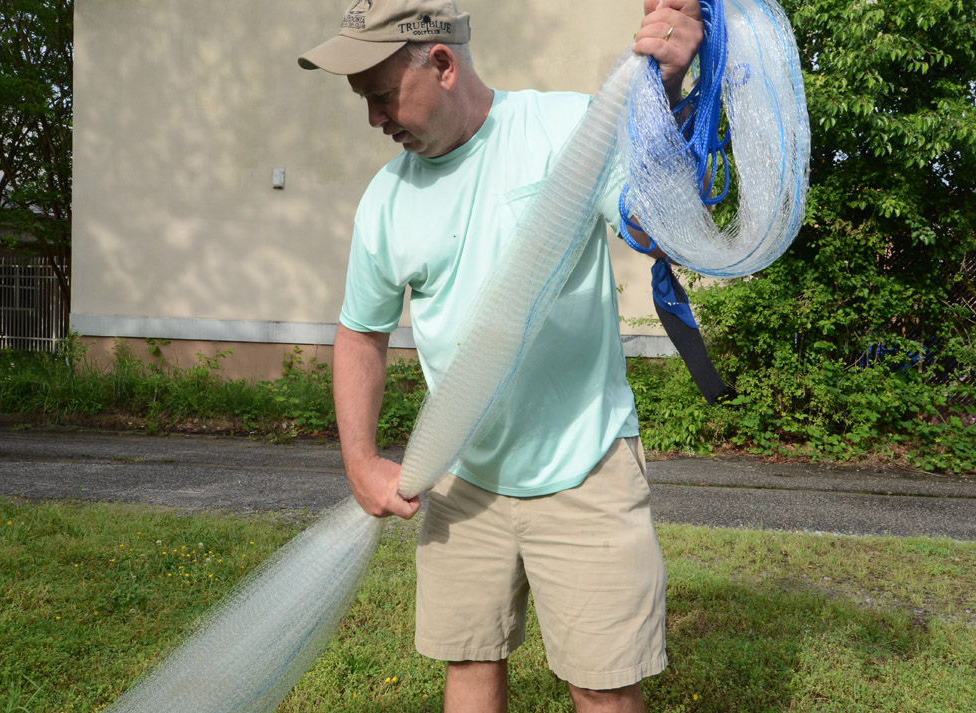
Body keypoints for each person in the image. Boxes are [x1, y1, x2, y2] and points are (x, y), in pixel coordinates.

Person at [299, 1, 703, 710]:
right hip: (460, 474)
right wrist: (361, 461)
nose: (373, 119)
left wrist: (665, 93)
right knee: (470, 666)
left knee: (603, 685)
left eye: (382, 95)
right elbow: (360, 333)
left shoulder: (563, 129)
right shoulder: (386, 202)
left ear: (444, 64)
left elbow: (651, 220)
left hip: (584, 463)